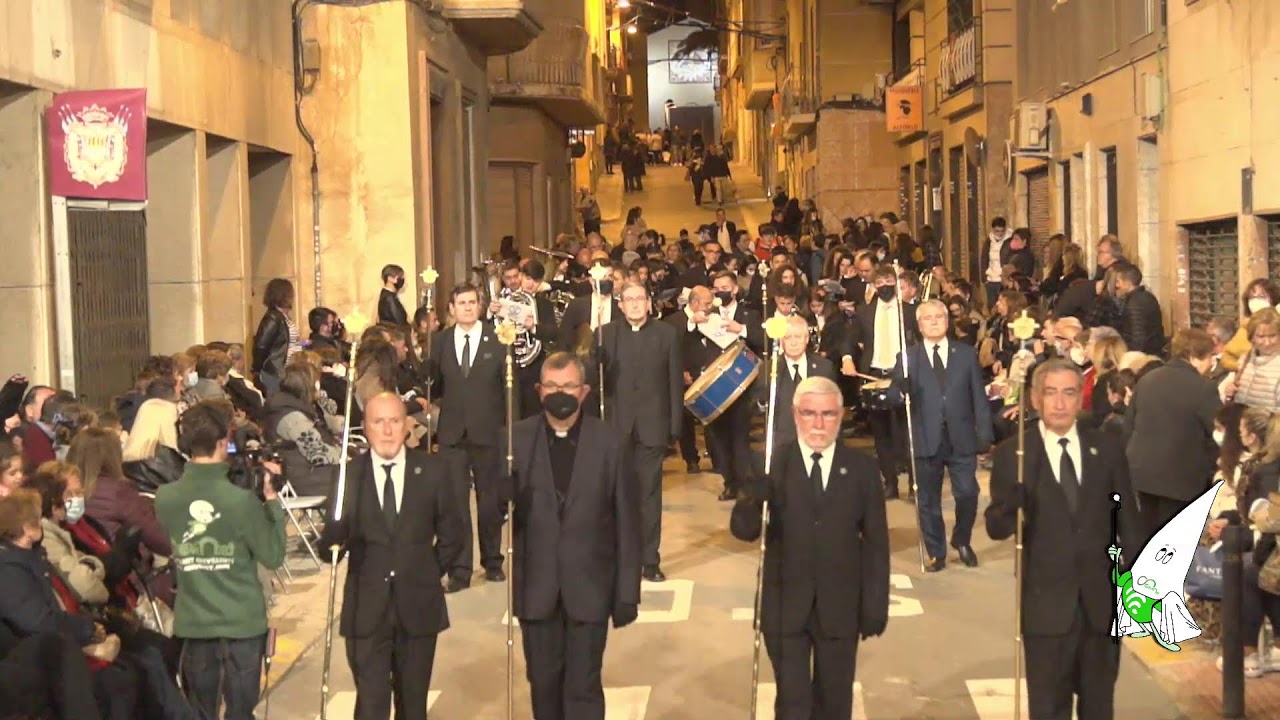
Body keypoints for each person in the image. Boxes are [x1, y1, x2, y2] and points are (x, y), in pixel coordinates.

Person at [984, 359, 1143, 720]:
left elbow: (1128, 524)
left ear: (1080, 400)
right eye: (1050, 393)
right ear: (1036, 399)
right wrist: (1011, 503)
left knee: (1099, 706)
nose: (1059, 404)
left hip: (1101, 606)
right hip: (1046, 607)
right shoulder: (1016, 454)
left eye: (1069, 393)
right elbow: (996, 527)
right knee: (1049, 708)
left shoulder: (1106, 449)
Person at [729, 376, 889, 720]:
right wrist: (749, 499)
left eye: (828, 414)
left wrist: (875, 604)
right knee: (793, 704)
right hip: (785, 605)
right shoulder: (770, 463)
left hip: (840, 608)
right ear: (794, 414)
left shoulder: (863, 469)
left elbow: (876, 543)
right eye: (809, 413)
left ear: (842, 414)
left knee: (835, 703)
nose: (818, 424)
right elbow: (743, 532)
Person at [498, 353, 641, 720]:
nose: (559, 393)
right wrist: (498, 496)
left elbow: (628, 520)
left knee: (584, 688)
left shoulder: (611, 442)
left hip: (590, 588)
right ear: (538, 389)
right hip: (537, 589)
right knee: (543, 686)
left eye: (569, 386)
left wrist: (627, 592)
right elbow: (490, 521)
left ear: (585, 391)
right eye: (552, 386)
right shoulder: (516, 440)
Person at [319, 392, 463, 720]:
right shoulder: (348, 476)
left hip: (418, 605)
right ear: (365, 428)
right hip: (366, 607)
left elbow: (454, 535)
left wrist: (425, 569)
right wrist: (336, 529)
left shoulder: (433, 470)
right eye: (378, 422)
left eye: (394, 421)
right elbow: (330, 551)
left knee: (413, 706)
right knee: (371, 705)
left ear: (406, 426)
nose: (387, 430)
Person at [154, 400, 287, 720]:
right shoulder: (240, 501)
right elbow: (273, 554)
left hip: (194, 620)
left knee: (200, 710)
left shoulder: (165, 497)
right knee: (241, 711)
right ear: (221, 443)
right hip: (241, 620)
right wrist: (271, 501)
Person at [891, 299, 993, 571]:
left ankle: (962, 539)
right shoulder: (908, 357)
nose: (934, 321)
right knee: (928, 499)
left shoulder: (965, 354)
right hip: (926, 436)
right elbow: (893, 397)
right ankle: (936, 551)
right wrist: (901, 387)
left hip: (961, 436)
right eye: (928, 318)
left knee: (968, 492)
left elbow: (978, 397)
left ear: (947, 322)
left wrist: (984, 432)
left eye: (939, 317)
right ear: (919, 324)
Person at [428, 283, 512, 592]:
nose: (466, 307)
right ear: (451, 308)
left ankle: (492, 561)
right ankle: (459, 570)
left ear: (480, 306)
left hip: (488, 432)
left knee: (489, 502)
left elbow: (507, 389)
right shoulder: (439, 341)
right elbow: (435, 387)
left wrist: (509, 430)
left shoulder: (498, 337)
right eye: (460, 302)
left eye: (471, 302)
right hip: (452, 433)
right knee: (456, 505)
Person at [599, 281, 681, 582]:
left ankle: (649, 560)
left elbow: (674, 382)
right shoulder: (606, 335)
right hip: (616, 428)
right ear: (620, 305)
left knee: (649, 497)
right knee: (616, 497)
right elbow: (597, 385)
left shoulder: (667, 335)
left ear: (649, 303)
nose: (634, 304)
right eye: (628, 299)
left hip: (652, 428)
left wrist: (674, 426)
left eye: (640, 299)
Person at [1124, 328, 1221, 548]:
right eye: (1210, 357)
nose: (1211, 364)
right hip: (1181, 479)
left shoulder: (1147, 379)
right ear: (1195, 357)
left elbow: (1128, 426)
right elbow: (1217, 433)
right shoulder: (1204, 388)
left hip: (1141, 474)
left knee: (1146, 539)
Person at [771, 315, 837, 446]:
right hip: (783, 444)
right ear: (781, 341)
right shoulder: (771, 370)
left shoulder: (824, 368)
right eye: (788, 337)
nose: (793, 342)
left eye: (798, 337)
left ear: (806, 339)